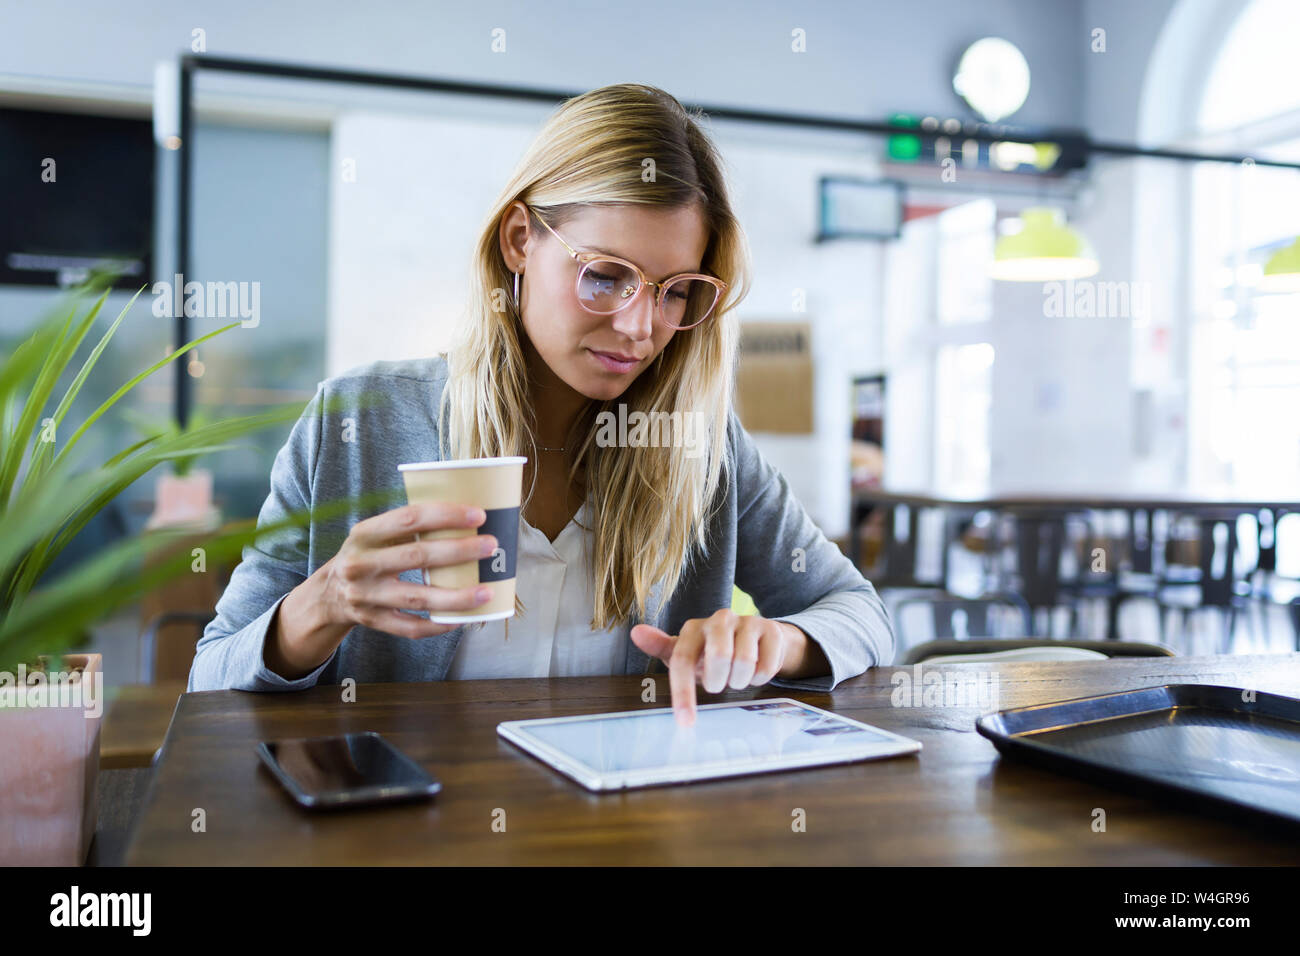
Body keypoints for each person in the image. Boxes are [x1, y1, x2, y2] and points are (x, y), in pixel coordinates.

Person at [188, 83, 894, 725]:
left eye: (675, 289)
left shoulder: (699, 446)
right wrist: (326, 603)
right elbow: (209, 679)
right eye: (608, 275)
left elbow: (861, 612)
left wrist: (779, 642)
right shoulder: (359, 421)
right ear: (521, 239)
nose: (640, 326)